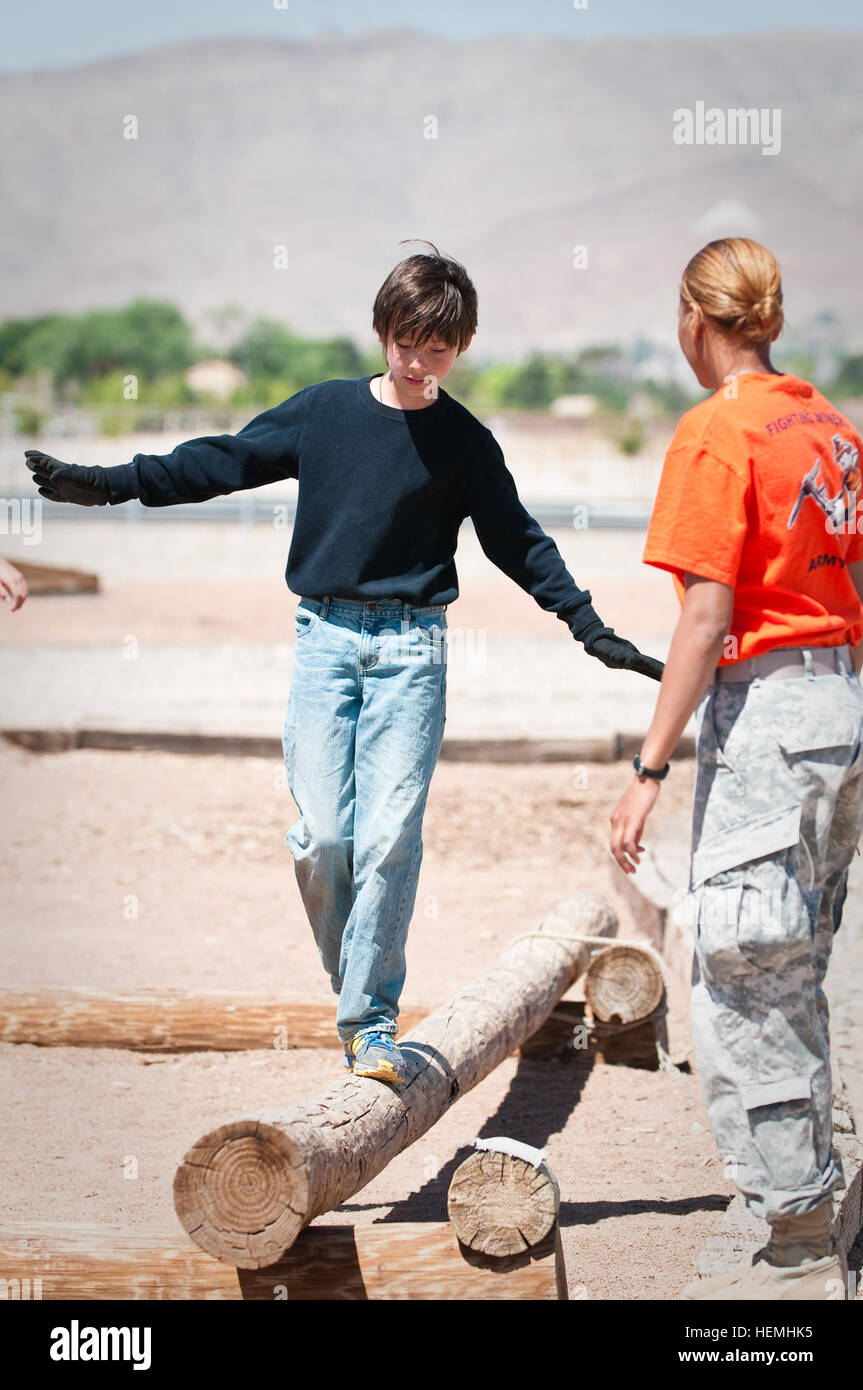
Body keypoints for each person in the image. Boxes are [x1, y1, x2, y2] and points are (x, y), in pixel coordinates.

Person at [27, 241, 662, 1085]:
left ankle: (369, 1022)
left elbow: (519, 542)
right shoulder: (324, 413)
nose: (416, 361)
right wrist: (108, 484)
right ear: (381, 331)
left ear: (460, 348)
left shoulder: (465, 443)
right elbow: (219, 461)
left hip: (412, 653)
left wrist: (589, 627)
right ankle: (355, 984)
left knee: (390, 839)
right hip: (325, 643)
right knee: (323, 836)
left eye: (435, 349)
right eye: (404, 342)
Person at [610, 236, 863, 1301]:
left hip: (770, 712)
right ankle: (809, 1192)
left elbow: (707, 613)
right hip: (842, 700)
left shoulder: (719, 431)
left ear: (692, 319)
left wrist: (648, 762)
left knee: (737, 966)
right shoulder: (829, 425)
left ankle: (796, 1229)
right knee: (792, 957)